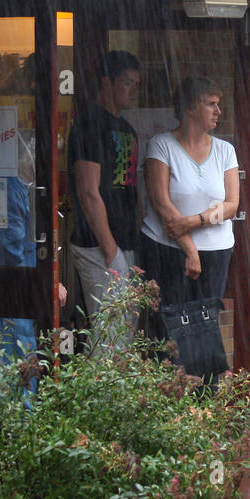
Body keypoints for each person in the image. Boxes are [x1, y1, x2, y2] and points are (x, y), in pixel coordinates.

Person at [140, 76, 240, 315]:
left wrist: (195, 220)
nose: (218, 111)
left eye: (218, 104)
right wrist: (190, 250)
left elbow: (231, 206)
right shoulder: (161, 145)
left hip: (216, 252)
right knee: (168, 325)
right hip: (167, 249)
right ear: (189, 108)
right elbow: (161, 203)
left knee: (205, 327)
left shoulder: (226, 151)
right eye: (210, 104)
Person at [67, 50, 142, 339]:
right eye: (127, 83)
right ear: (107, 83)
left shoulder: (127, 129)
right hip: (96, 245)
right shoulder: (89, 126)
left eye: (137, 84)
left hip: (124, 245)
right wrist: (111, 251)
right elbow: (88, 192)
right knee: (108, 337)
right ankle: (95, 386)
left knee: (125, 333)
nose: (134, 90)